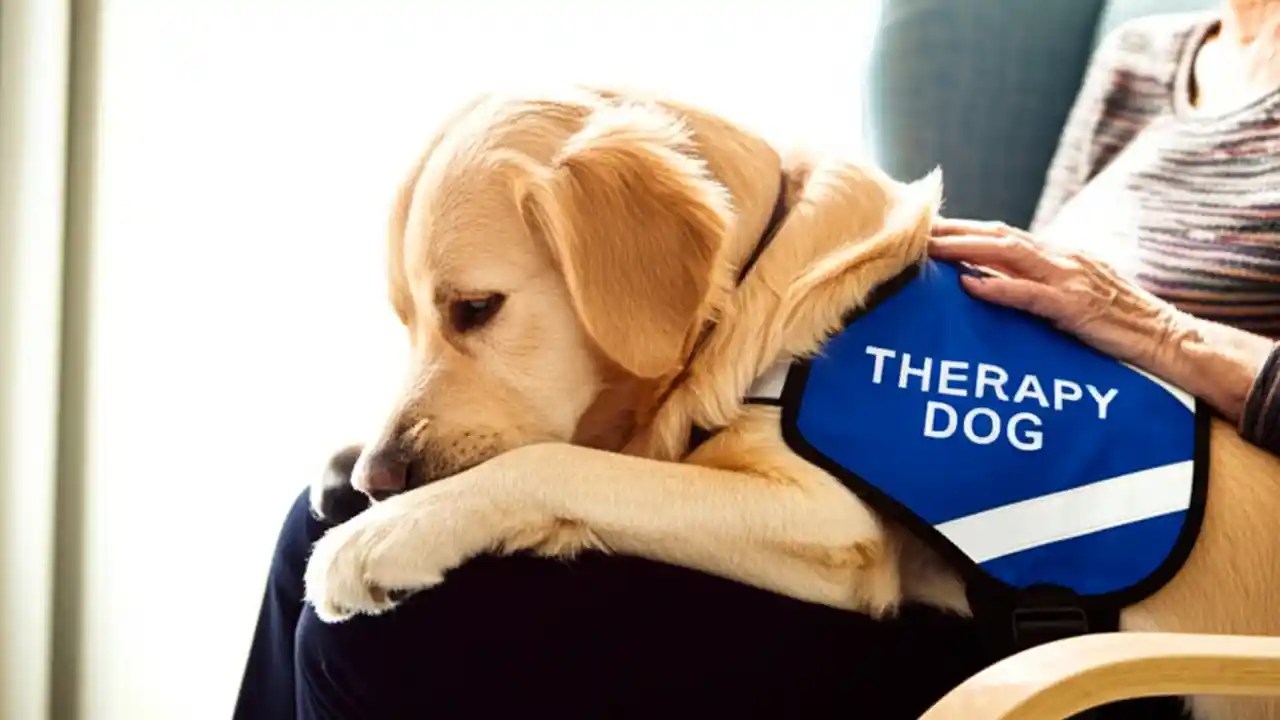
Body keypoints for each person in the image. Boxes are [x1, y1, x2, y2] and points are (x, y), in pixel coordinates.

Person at [233, 3, 1279, 718]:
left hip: (1113, 643)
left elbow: (845, 538)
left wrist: (1166, 337)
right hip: (964, 512)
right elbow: (1023, 329)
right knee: (322, 525)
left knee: (388, 633)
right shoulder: (1144, 57)